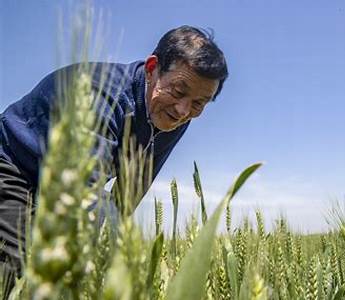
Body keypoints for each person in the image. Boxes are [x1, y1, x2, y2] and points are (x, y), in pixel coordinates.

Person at [0, 25, 228, 287]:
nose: (183, 110)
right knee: (15, 264)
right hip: (13, 161)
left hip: (62, 183)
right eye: (178, 91)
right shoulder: (100, 95)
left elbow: (129, 192)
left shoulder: (174, 116)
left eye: (199, 103)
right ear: (153, 67)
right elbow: (84, 197)